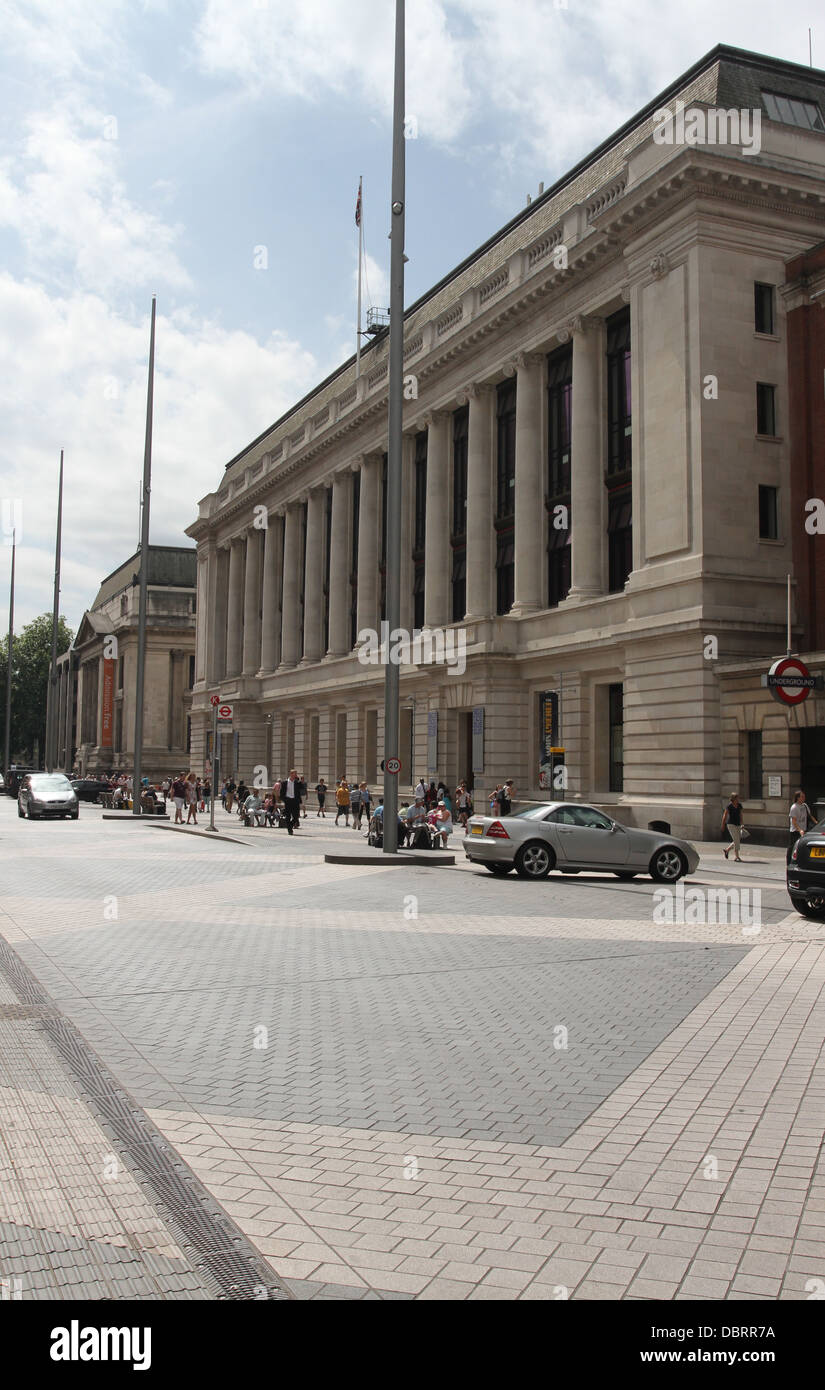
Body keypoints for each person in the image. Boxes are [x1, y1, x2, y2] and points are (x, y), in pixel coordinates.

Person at [788, 790, 816, 862]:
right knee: (793, 847)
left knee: (802, 847)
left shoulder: (805, 806)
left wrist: (816, 822)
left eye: (804, 797)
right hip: (795, 831)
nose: (804, 798)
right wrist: (799, 830)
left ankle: (801, 860)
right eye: (802, 797)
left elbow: (810, 815)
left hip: (804, 830)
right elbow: (794, 821)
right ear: (797, 798)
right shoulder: (794, 807)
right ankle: (790, 861)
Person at [721, 792, 744, 862]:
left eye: (738, 798)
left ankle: (727, 850)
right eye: (737, 798)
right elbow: (725, 815)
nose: (738, 800)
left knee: (737, 840)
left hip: (738, 824)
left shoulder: (739, 805)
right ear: (733, 799)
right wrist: (723, 825)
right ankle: (737, 856)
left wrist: (742, 824)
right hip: (731, 824)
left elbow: (741, 815)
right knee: (736, 840)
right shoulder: (729, 806)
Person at [282, 769, 301, 834]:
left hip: (295, 801)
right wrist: (284, 800)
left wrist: (299, 781)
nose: (296, 775)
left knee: (296, 816)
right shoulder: (285, 782)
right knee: (288, 816)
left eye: (296, 774)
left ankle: (290, 825)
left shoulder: (297, 782)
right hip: (288, 801)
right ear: (291, 774)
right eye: (295, 774)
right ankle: (290, 830)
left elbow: (302, 788)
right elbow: (282, 793)